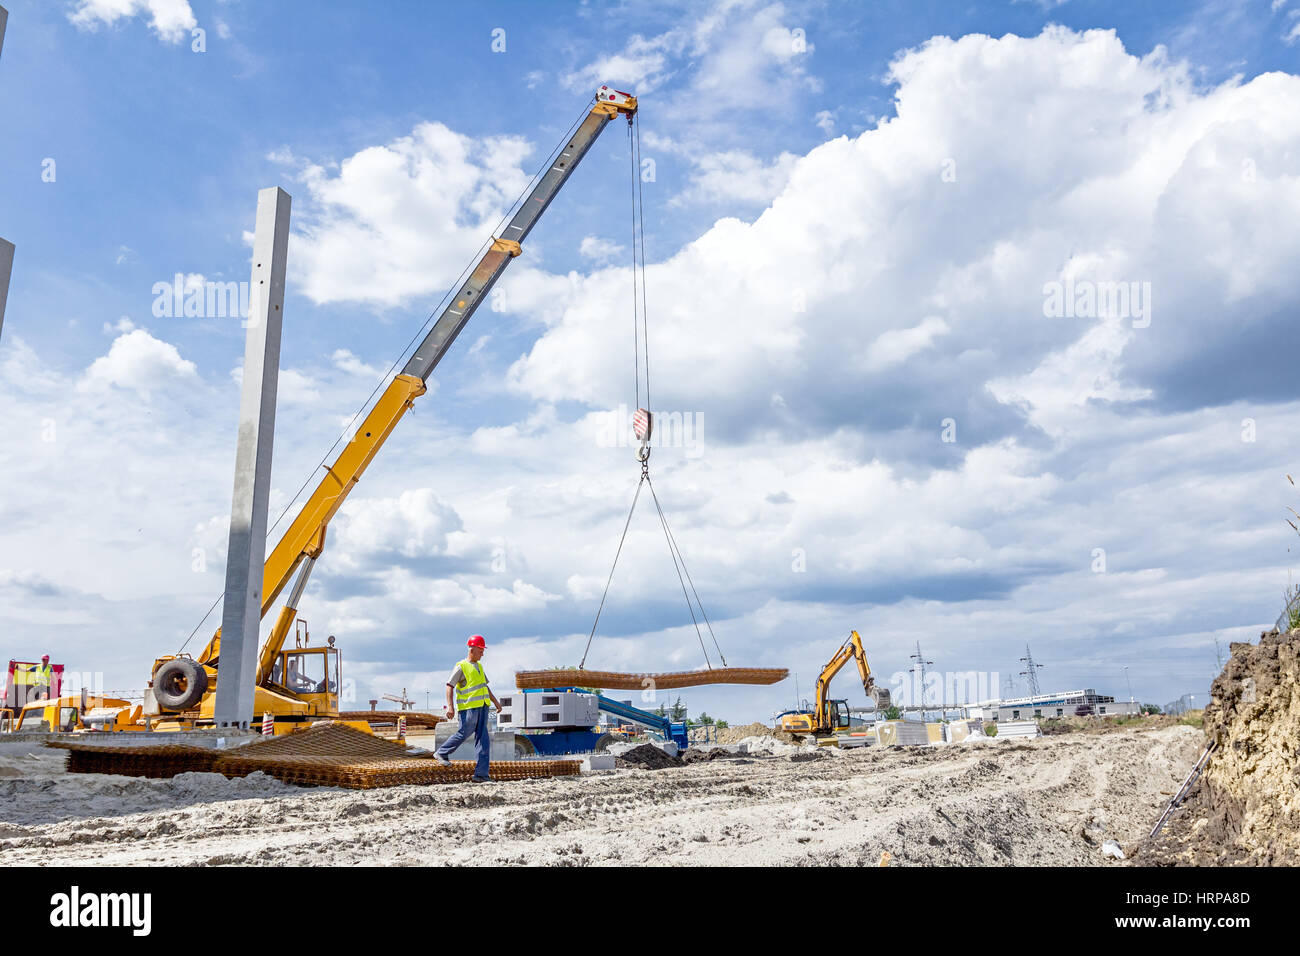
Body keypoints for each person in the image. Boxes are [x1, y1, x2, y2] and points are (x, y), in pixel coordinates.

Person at [433, 635, 501, 782]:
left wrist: (495, 702)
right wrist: (450, 707)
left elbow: (484, 686)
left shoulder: (479, 666)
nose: (483, 653)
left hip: (482, 707)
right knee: (464, 733)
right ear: (472, 649)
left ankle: (481, 775)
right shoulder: (461, 666)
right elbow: (449, 685)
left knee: (483, 741)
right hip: (469, 708)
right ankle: (441, 752)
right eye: (481, 650)